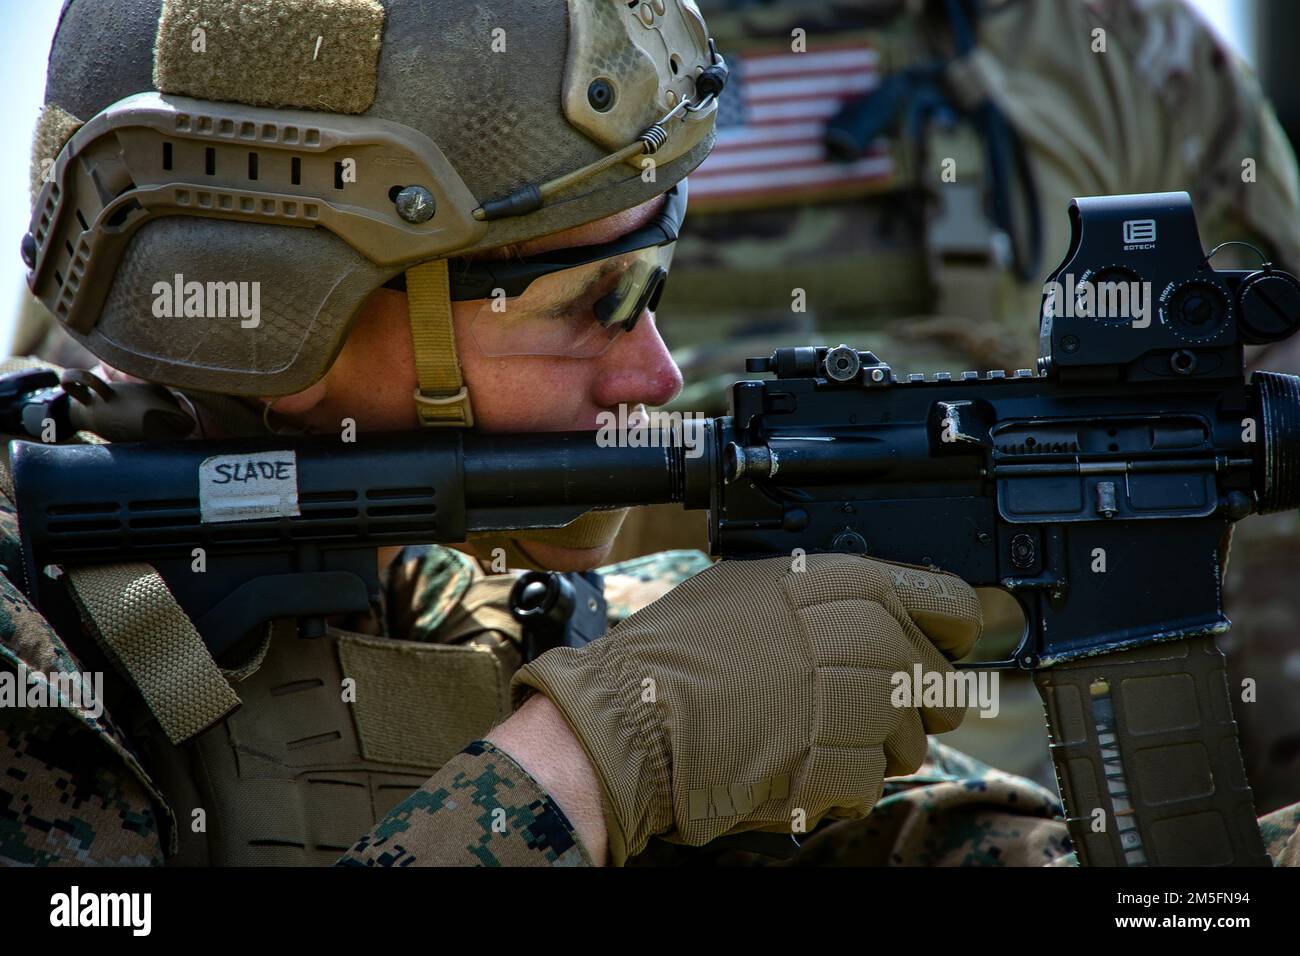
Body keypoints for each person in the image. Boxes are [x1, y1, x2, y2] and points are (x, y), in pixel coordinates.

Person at [2, 0, 1296, 869]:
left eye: (661, 287)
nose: (657, 370)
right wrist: (597, 757)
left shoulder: (513, 614)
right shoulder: (39, 657)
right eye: (598, 306)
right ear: (278, 316)